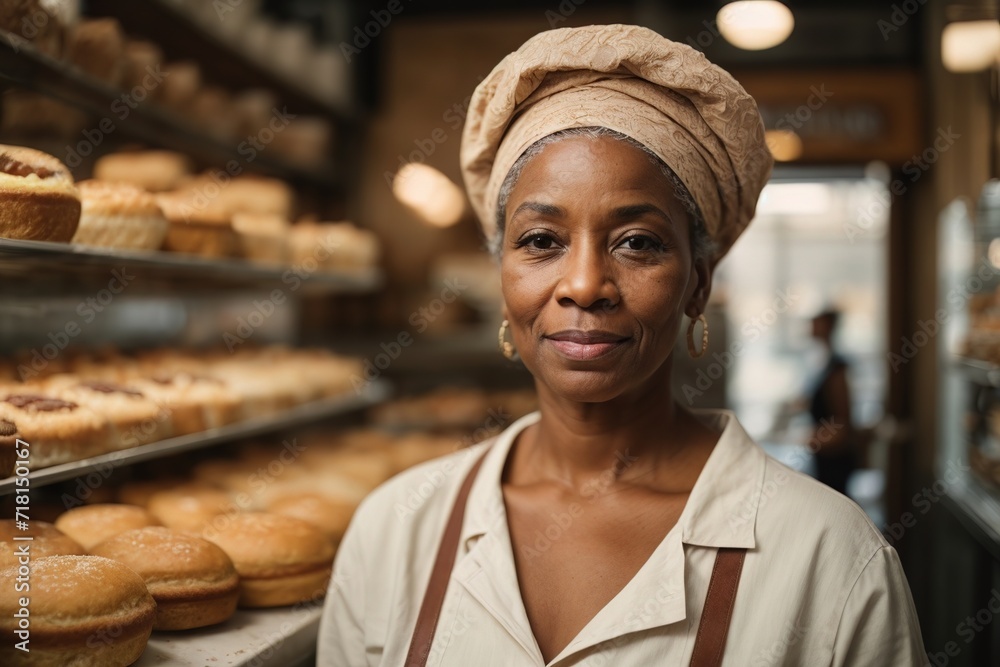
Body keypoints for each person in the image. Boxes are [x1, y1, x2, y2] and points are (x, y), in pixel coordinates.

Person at [318, 24, 924, 666]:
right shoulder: (395, 531)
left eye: (637, 241)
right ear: (502, 279)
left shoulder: (829, 558)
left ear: (698, 284)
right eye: (540, 242)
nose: (584, 285)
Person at [808, 309, 857, 495]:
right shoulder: (824, 362)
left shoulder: (837, 367)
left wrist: (814, 439)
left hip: (835, 455)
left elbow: (842, 420)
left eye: (817, 322)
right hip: (824, 454)